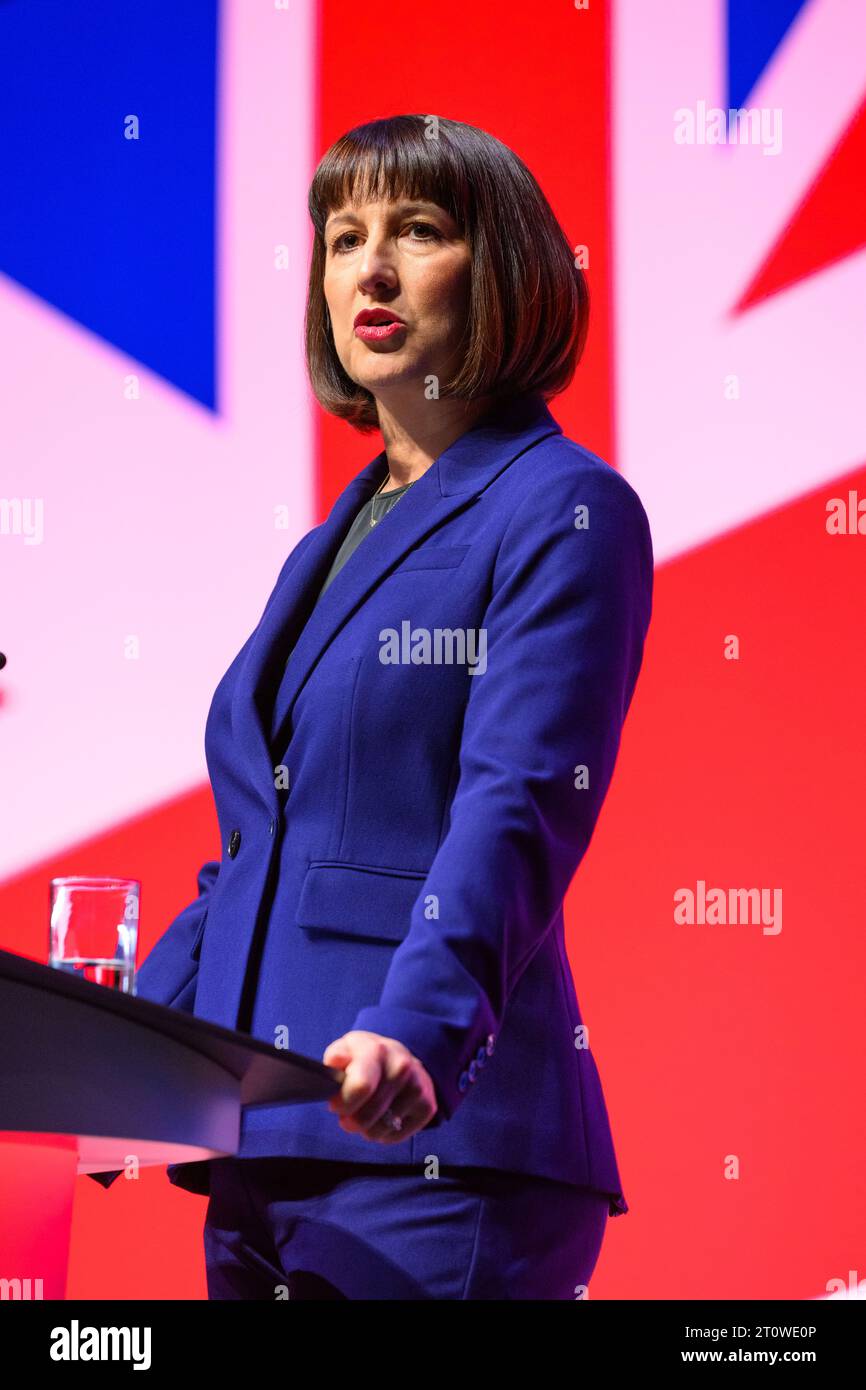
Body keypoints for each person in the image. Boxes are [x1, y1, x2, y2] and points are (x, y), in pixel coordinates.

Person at [103, 115, 654, 1300]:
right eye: (343, 236)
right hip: (263, 1147)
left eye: (417, 230)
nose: (370, 266)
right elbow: (257, 853)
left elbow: (517, 805)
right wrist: (123, 1059)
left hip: (430, 1139)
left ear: (499, 266)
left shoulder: (562, 507)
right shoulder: (328, 543)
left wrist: (421, 1026)